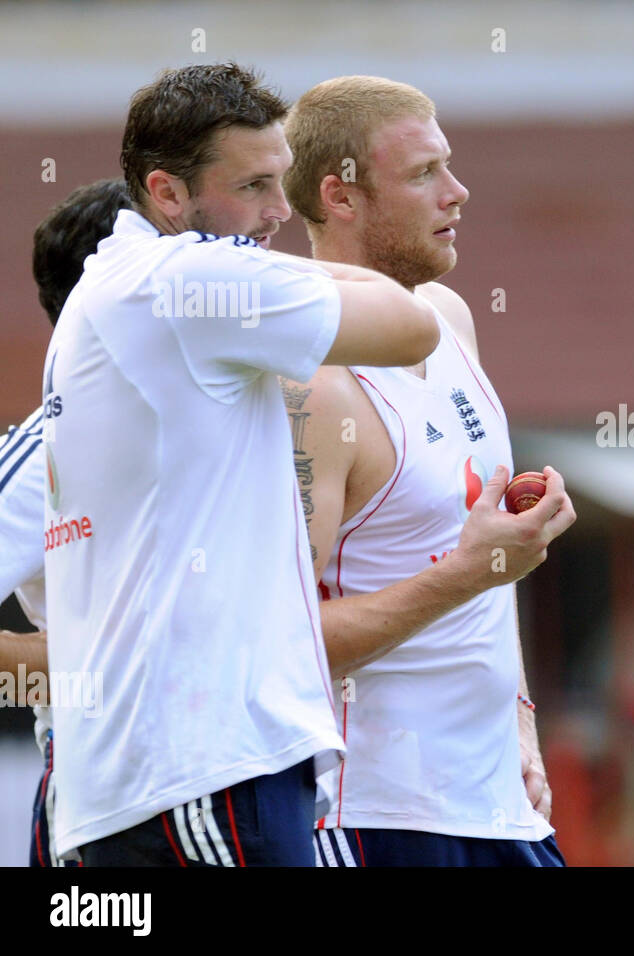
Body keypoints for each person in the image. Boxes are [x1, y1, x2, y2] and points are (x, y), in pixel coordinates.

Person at [41, 62, 442, 866]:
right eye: (255, 186)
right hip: (201, 766)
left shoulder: (115, 285)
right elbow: (410, 324)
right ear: (166, 194)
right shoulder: (190, 279)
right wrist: (277, 267)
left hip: (136, 777)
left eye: (282, 182)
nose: (277, 213)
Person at [279, 76, 575, 866]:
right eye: (423, 175)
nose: (458, 192)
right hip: (374, 817)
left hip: (506, 814)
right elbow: (278, 647)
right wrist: (468, 574)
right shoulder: (310, 384)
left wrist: (519, 714)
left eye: (449, 165)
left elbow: (486, 557)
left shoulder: (448, 318)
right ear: (341, 197)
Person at [0, 178, 132, 866]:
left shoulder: (233, 436)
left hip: (260, 789)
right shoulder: (46, 447)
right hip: (109, 801)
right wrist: (107, 671)